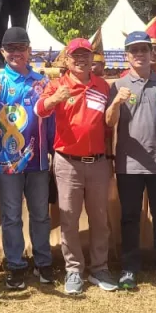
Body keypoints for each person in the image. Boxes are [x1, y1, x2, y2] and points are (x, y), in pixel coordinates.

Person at [0, 27, 56, 290]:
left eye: (21, 48)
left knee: (40, 215)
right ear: (2, 52)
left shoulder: (42, 82)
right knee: (11, 216)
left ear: (29, 50)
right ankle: (16, 265)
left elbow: (51, 120)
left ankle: (43, 262)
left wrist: (54, 151)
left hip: (38, 161)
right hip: (7, 161)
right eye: (11, 49)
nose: (16, 53)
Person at [36, 38, 116, 295]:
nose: (81, 59)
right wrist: (53, 100)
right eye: (75, 56)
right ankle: (73, 270)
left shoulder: (103, 86)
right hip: (67, 162)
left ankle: (99, 268)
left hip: (98, 162)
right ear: (67, 60)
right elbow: (40, 110)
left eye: (86, 55)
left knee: (100, 219)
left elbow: (109, 125)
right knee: (69, 218)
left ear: (93, 59)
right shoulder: (58, 85)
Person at [105, 32, 156, 291]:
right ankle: (129, 269)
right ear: (126, 56)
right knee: (129, 218)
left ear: (152, 54)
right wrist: (116, 102)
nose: (139, 54)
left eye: (144, 49)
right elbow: (109, 122)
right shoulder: (117, 86)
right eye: (134, 50)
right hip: (128, 165)